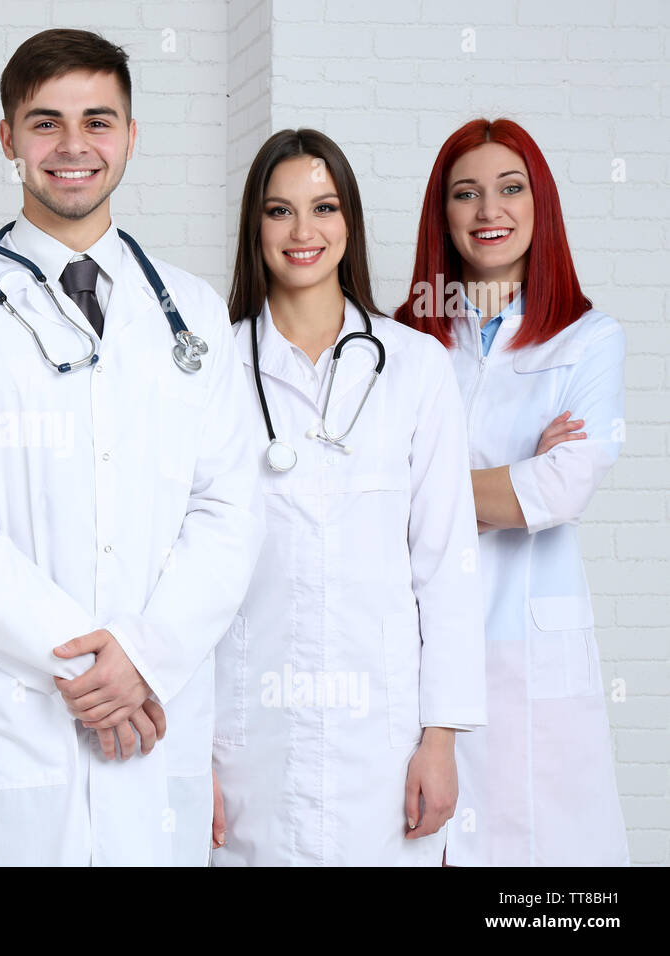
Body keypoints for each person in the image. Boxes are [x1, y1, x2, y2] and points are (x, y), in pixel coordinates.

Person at [0, 29, 264, 866]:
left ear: (131, 135)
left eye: (98, 120)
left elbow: (230, 509)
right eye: (45, 122)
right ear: (8, 137)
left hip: (154, 720)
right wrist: (96, 671)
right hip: (16, 719)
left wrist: (146, 656)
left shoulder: (192, 314)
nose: (74, 146)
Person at [211, 129, 487, 866]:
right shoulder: (212, 370)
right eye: (280, 211)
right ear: (255, 227)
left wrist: (441, 739)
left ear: (350, 222)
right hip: (246, 740)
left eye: (324, 207)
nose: (304, 232)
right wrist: (187, 753)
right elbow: (180, 570)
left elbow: (446, 567)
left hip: (384, 745)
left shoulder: (416, 369)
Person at [395, 118, 629, 866]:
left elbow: (560, 490)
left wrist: (421, 493)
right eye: (465, 193)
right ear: (443, 214)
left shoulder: (588, 340)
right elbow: (360, 495)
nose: (488, 210)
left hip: (532, 652)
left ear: (541, 205)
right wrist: (509, 485)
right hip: (418, 649)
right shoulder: (402, 340)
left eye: (509, 188)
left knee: (544, 885)